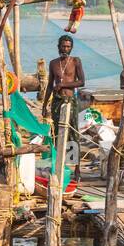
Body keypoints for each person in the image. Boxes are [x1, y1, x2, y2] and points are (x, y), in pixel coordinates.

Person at [41, 34, 84, 174]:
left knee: (73, 133)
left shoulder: (76, 61)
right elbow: (49, 85)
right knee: (56, 133)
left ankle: (76, 168)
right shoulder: (53, 63)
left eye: (68, 47)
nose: (65, 49)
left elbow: (81, 82)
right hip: (57, 101)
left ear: (71, 48)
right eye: (63, 46)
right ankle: (57, 164)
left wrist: (63, 84)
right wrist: (44, 105)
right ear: (58, 47)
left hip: (70, 101)